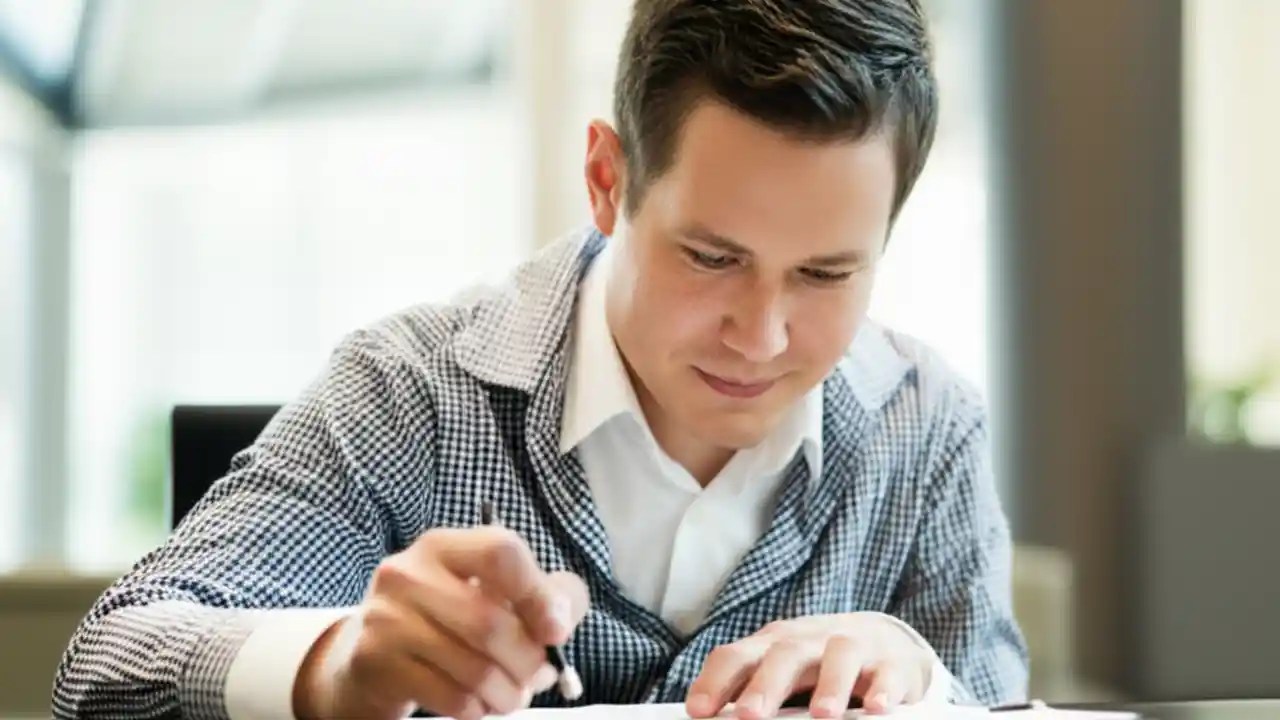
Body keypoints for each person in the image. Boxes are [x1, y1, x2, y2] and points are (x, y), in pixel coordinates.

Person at [53, 1, 1028, 718]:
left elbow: (994, 704)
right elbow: (100, 669)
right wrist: (334, 665)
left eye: (823, 274)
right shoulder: (413, 394)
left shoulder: (927, 429)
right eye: (710, 258)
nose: (761, 337)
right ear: (607, 180)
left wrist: (913, 672)